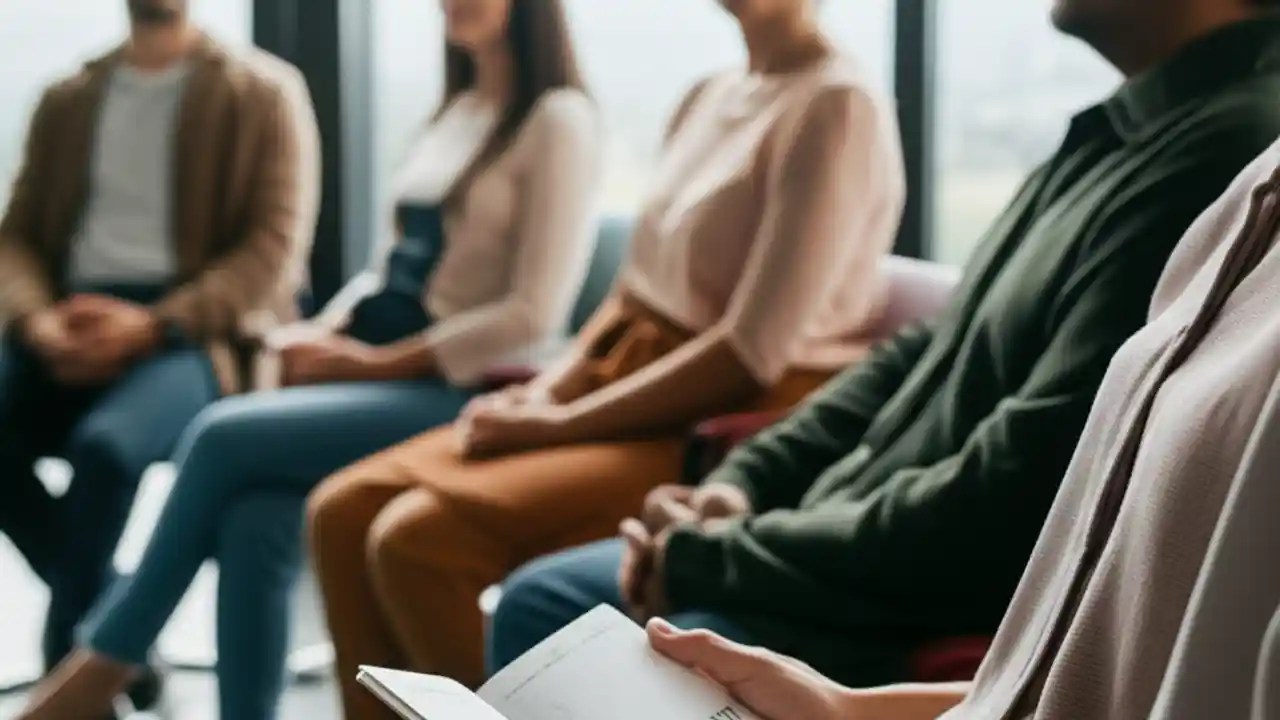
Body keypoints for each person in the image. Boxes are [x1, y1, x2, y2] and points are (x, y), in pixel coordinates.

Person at [489, 0, 1280, 692]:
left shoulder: (1220, 151)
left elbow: (1006, 506)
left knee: (547, 608)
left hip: (893, 611)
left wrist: (714, 556)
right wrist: (744, 485)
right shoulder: (1123, 129)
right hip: (828, 537)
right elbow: (917, 355)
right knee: (539, 592)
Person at [307, 0, 906, 714]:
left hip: (717, 420)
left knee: (418, 542)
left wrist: (560, 425)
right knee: (339, 513)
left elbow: (749, 354)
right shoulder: (709, 93)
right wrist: (546, 392)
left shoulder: (837, 106)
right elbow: (631, 294)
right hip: (624, 381)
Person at [17, 0, 602, 717]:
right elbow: (389, 274)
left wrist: (366, 368)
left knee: (223, 434)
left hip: (468, 388)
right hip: (387, 363)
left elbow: (530, 317)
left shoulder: (559, 120)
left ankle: (94, 674)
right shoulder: (458, 111)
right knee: (255, 515)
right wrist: (322, 337)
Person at [642, 128, 1280, 720]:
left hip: (855, 597)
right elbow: (1094, 668)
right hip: (839, 591)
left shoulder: (1210, 165)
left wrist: (718, 555)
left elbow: (992, 506)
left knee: (558, 610)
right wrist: (849, 712)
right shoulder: (1244, 189)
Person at [0, 0, 318, 707]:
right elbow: (15, 235)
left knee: (107, 452)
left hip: (189, 336)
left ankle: (67, 679)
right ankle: (118, 630)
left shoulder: (262, 93)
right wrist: (36, 322)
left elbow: (271, 255)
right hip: (68, 318)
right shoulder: (68, 98)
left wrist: (150, 325)